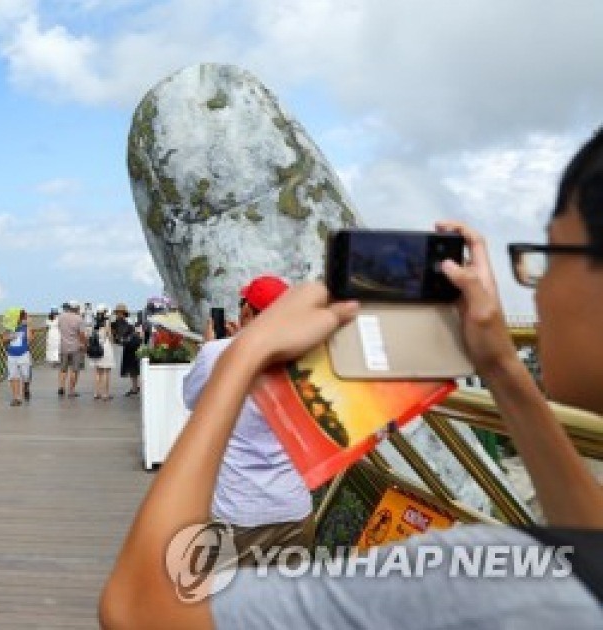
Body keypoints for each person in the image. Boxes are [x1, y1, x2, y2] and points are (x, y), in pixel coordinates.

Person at [100, 128, 603, 629]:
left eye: (552, 252)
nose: (536, 287)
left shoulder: (481, 584)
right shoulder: (572, 585)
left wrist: (243, 353)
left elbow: (138, 611)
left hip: (237, 512)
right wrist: (500, 367)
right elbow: (590, 546)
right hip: (291, 508)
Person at [181, 275, 312, 564]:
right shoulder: (304, 356)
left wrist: (209, 348)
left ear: (246, 312)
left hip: (244, 508)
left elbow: (191, 399)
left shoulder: (217, 354)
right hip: (294, 504)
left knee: (253, 601)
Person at [56, 301, 89, 397]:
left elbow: (59, 328)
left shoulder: (61, 317)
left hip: (63, 347)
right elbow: (82, 334)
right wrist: (85, 345)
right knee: (75, 370)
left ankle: (61, 387)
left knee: (63, 369)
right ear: (77, 308)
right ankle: (71, 390)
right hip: (76, 348)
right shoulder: (79, 319)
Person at [111, 303, 142, 396]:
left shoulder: (124, 323)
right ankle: (135, 387)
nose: (118, 314)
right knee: (132, 368)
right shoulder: (117, 323)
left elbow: (122, 336)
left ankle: (135, 387)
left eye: (120, 313)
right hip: (129, 347)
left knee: (133, 368)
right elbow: (116, 337)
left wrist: (119, 339)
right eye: (117, 313)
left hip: (132, 346)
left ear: (123, 313)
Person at [87, 305, 115, 400]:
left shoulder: (94, 323)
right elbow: (110, 336)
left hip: (96, 348)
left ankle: (96, 393)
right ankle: (105, 394)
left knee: (98, 372)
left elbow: (90, 335)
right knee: (106, 372)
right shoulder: (107, 322)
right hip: (105, 348)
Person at [7, 309, 34, 406]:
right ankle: (16, 398)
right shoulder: (10, 327)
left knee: (26, 375)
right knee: (14, 376)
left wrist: (29, 326)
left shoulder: (26, 327)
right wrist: (10, 337)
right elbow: (3, 338)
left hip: (23, 354)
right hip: (11, 354)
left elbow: (30, 339)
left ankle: (26, 385)